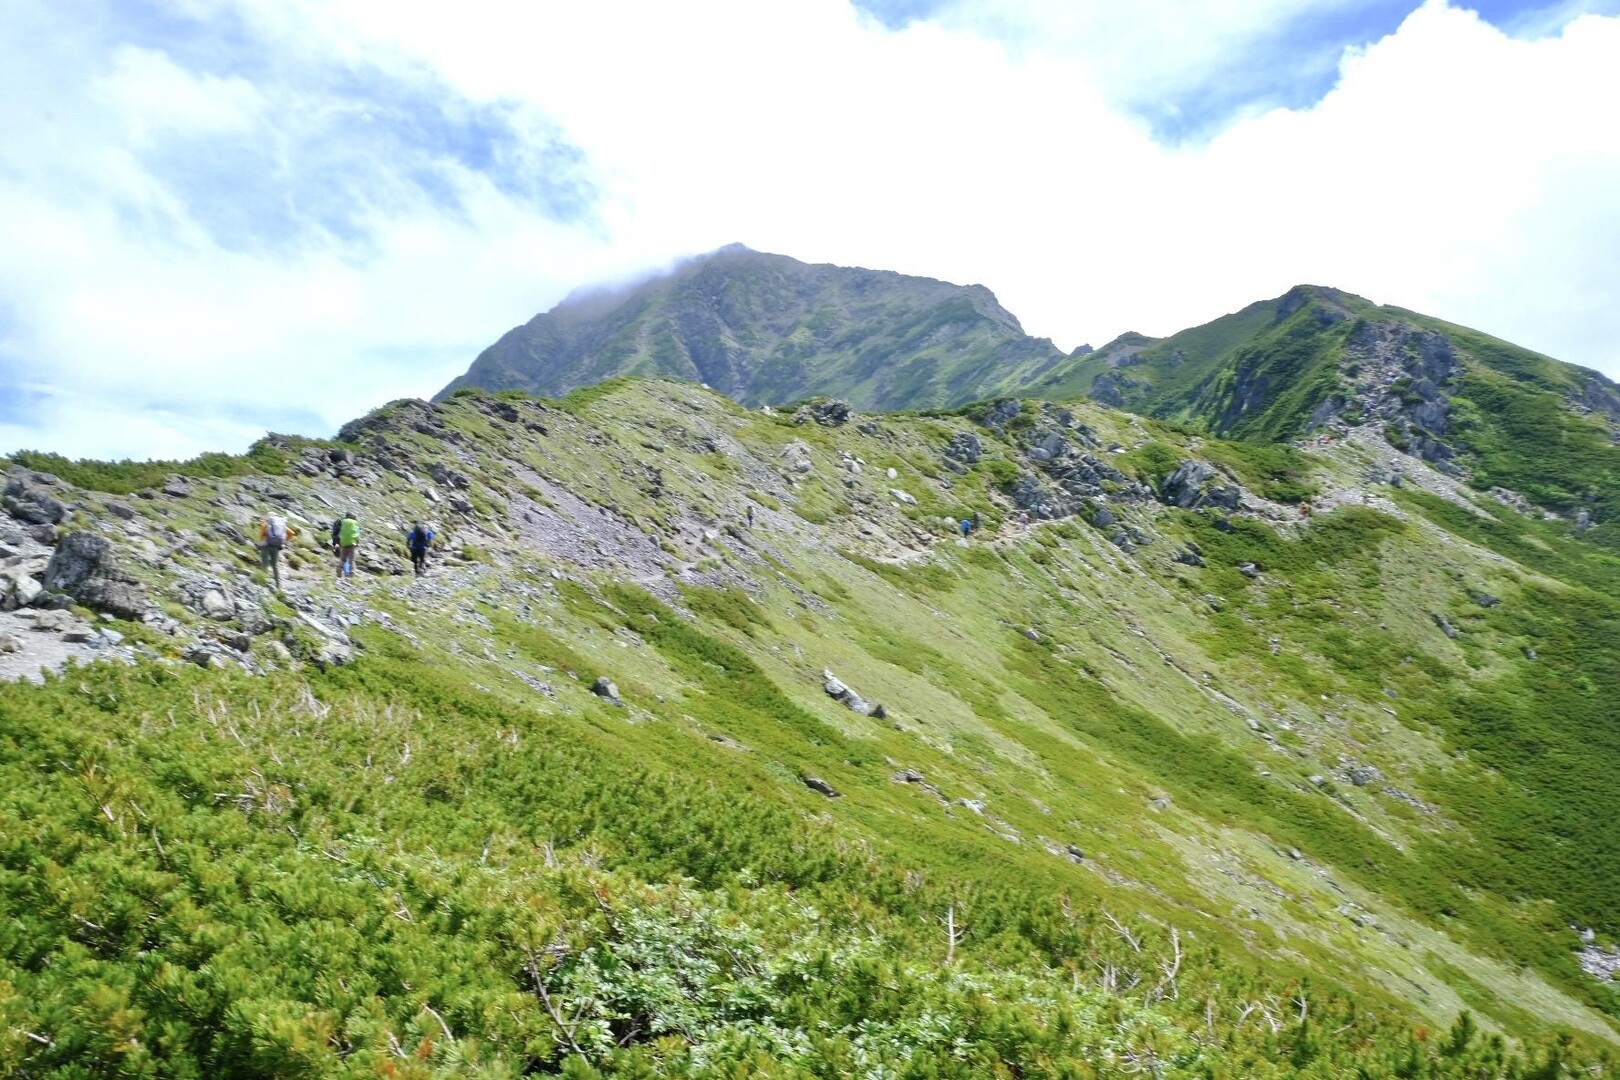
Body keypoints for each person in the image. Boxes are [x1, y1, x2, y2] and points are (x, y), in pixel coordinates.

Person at [258, 513, 298, 590]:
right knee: (275, 565)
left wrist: (262, 541)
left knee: (265, 563)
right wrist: (285, 541)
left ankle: (262, 581)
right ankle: (278, 585)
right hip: (276, 547)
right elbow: (292, 533)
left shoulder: (265, 524)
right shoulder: (282, 526)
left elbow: (261, 535)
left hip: (266, 546)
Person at [336, 512, 361, 579]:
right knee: (352, 560)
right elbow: (357, 534)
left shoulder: (343, 522)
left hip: (343, 543)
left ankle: (339, 569)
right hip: (351, 544)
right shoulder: (355, 523)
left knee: (342, 559)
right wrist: (358, 543)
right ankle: (352, 573)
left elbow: (341, 532)